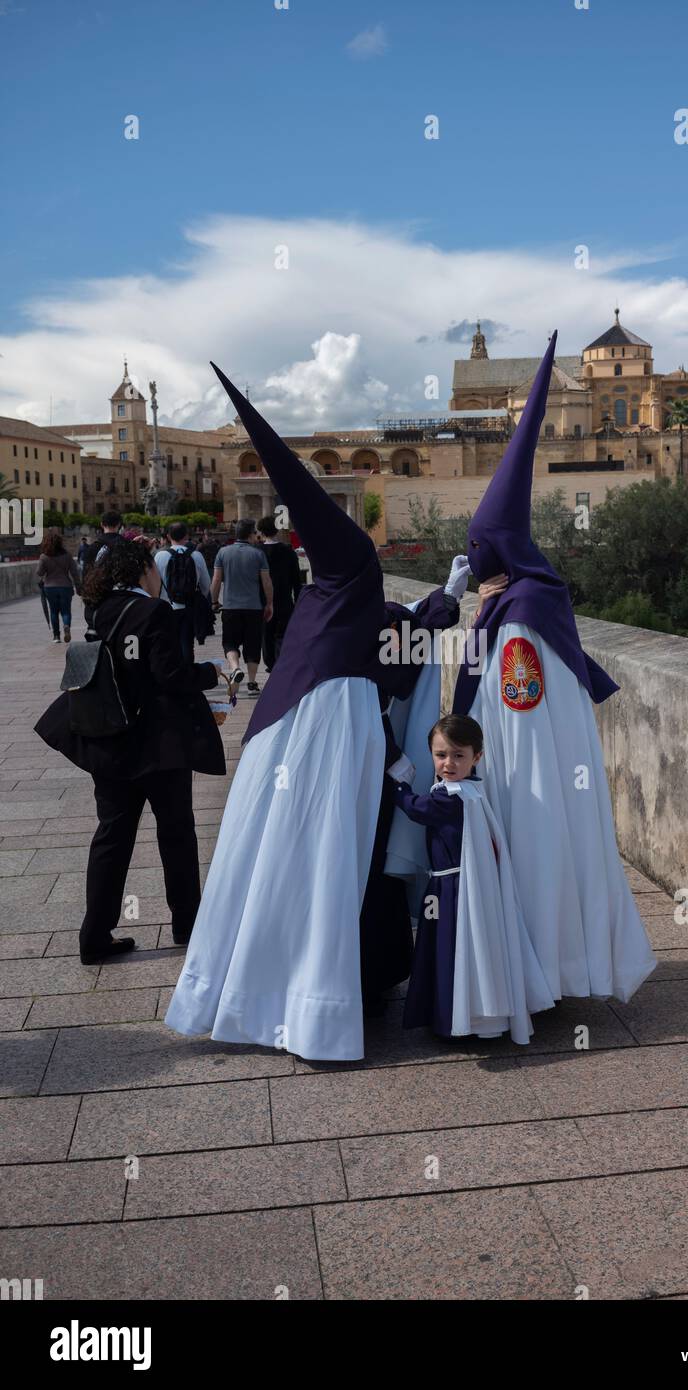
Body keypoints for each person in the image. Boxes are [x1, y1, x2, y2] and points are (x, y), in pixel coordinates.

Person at [165, 363, 462, 1061]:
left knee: (280, 865)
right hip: (338, 745)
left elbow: (390, 628)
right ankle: (321, 1000)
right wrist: (444, 604)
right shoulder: (350, 605)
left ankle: (259, 990)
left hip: (287, 746)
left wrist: (435, 605)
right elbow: (398, 643)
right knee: (336, 859)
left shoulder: (320, 609)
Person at [452, 334, 657, 1007]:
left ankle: (549, 976)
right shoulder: (529, 597)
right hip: (550, 767)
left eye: (477, 550)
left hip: (531, 778)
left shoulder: (517, 615)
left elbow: (517, 704)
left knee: (542, 866)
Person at [33, 539, 227, 964]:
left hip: (110, 740)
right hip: (158, 745)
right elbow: (168, 675)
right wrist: (210, 674)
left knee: (112, 837)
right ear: (144, 570)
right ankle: (186, 924)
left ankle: (95, 935)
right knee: (176, 832)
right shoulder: (153, 611)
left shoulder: (98, 610)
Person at [388, 715, 553, 1043]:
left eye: (458, 755)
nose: (448, 763)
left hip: (452, 888)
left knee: (451, 949)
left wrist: (397, 785)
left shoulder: (449, 797)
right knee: (463, 950)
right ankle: (470, 1015)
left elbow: (417, 809)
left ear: (477, 757)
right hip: (462, 883)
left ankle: (455, 1019)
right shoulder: (471, 789)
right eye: (440, 755)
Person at [211, 519, 273, 694]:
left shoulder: (223, 552)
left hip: (230, 606)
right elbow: (266, 582)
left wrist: (214, 601)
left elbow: (216, 580)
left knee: (230, 642)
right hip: (254, 607)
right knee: (253, 645)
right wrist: (269, 603)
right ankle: (252, 683)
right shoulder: (258, 554)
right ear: (250, 534)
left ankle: (235, 668)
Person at [154, 521, 212, 664]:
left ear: (168, 536)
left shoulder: (160, 556)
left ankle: (173, 674)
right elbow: (206, 585)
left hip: (166, 606)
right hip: (189, 606)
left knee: (169, 643)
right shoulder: (196, 555)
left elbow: (154, 585)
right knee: (187, 643)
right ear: (186, 535)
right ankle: (187, 675)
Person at [256, 516, 304, 672]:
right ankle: (282, 663)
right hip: (284, 601)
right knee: (282, 635)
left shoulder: (257, 552)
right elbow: (297, 580)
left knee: (266, 635)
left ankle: (271, 665)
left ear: (261, 532)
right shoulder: (288, 551)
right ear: (276, 530)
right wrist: (298, 601)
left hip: (263, 601)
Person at [80, 510, 124, 627]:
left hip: (99, 600)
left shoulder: (93, 548)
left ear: (101, 524)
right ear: (119, 524)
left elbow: (86, 576)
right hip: (124, 601)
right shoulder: (128, 546)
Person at [36, 531, 81, 643]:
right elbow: (75, 572)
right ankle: (66, 626)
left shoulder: (44, 556)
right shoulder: (67, 555)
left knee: (54, 611)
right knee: (66, 611)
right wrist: (79, 587)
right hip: (65, 586)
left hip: (50, 587)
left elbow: (39, 573)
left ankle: (56, 636)